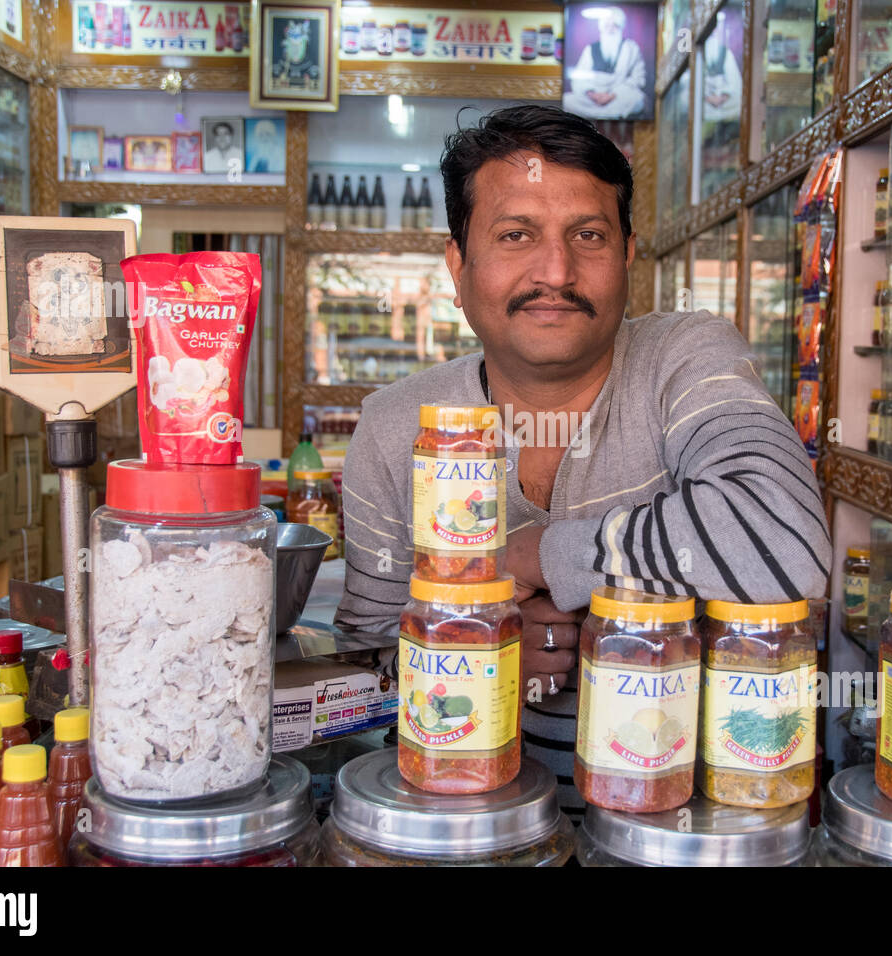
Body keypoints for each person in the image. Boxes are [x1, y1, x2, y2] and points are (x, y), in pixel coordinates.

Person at [336, 104, 829, 710]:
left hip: (685, 795)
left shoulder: (684, 358)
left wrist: (534, 554)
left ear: (625, 256)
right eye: (516, 235)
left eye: (588, 235)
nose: (556, 270)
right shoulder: (396, 427)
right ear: (459, 267)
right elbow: (362, 671)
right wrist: (476, 652)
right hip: (467, 801)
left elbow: (788, 543)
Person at [563, 6, 648, 120]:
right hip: (593, 99)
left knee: (638, 99)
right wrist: (593, 95)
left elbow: (638, 78)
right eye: (607, 25)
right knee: (567, 100)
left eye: (615, 25)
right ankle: (609, 114)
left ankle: (597, 115)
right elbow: (578, 79)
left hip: (618, 96)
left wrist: (612, 95)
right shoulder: (590, 49)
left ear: (620, 28)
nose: (610, 29)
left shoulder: (631, 47)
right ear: (602, 28)